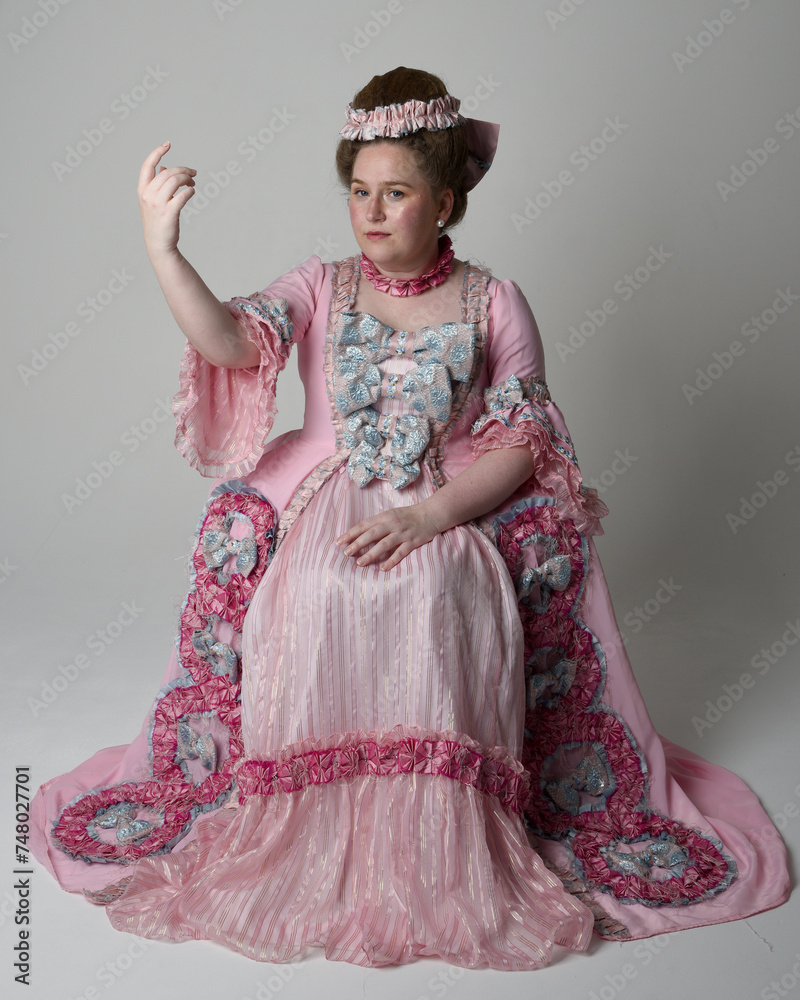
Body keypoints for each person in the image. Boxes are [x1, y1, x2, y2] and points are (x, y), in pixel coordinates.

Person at [30, 67, 789, 970]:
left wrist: (430, 518)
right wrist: (164, 253)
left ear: (447, 200)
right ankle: (313, 820)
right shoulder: (320, 284)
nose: (373, 212)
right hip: (322, 491)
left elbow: (520, 443)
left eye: (396, 193)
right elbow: (233, 341)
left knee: (433, 591)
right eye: (359, 191)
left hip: (448, 501)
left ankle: (438, 833)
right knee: (312, 584)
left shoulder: (494, 300)